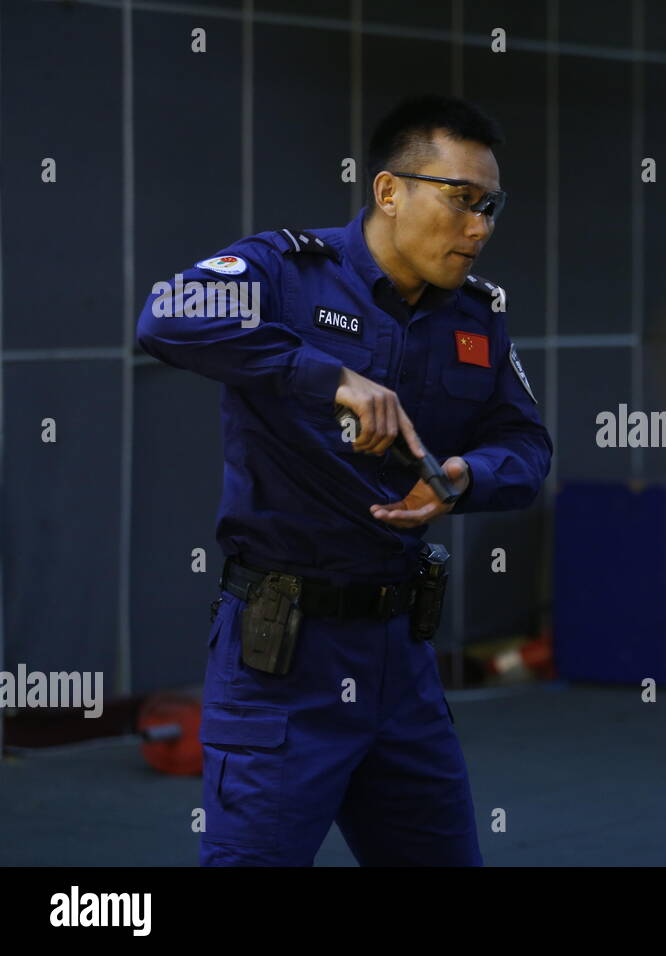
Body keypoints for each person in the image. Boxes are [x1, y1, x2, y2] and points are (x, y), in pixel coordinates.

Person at [135, 94, 552, 866]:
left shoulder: (478, 317)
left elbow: (527, 445)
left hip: (401, 664)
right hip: (281, 660)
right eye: (461, 200)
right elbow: (165, 314)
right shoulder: (285, 272)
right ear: (389, 191)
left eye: (492, 207)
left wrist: (467, 476)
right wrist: (323, 375)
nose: (480, 228)